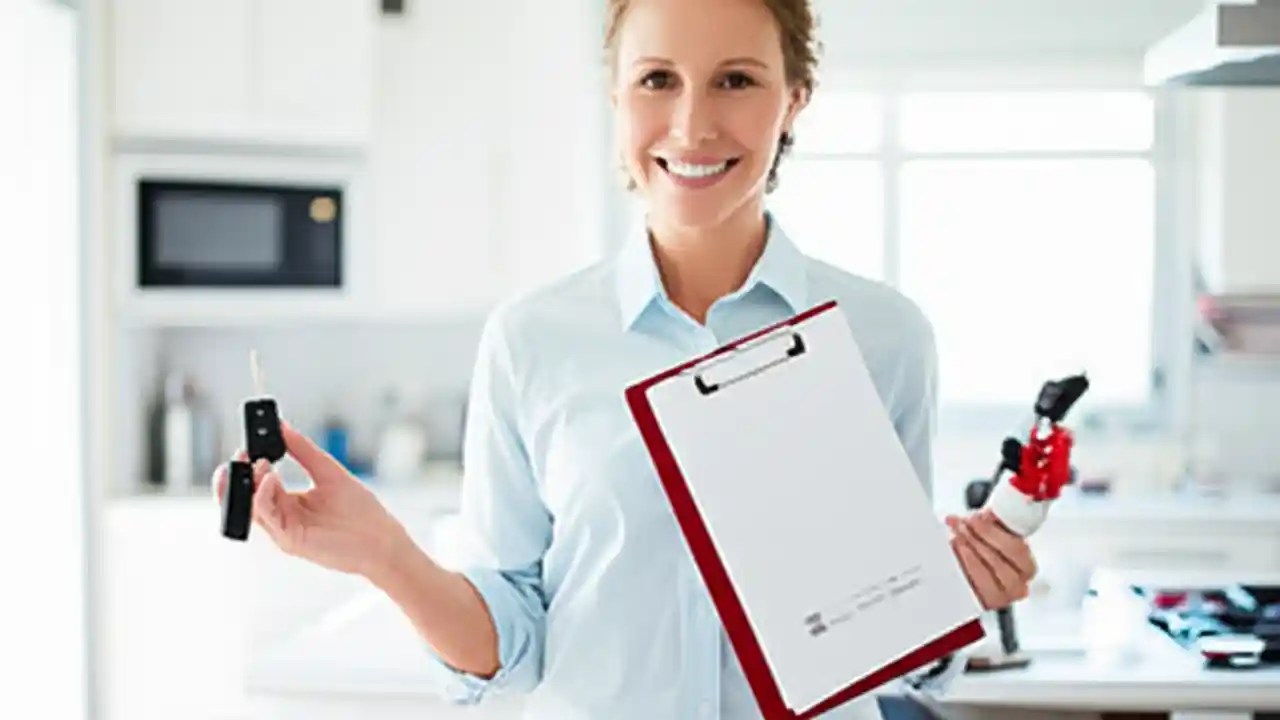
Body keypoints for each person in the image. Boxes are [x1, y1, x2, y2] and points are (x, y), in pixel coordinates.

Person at [214, 0, 1038, 717]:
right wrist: (384, 555)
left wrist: (957, 596)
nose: (692, 125)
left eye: (737, 80)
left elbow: (884, 643)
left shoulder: (886, 338)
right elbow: (514, 640)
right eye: (657, 80)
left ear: (795, 101)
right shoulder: (530, 340)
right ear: (615, 98)